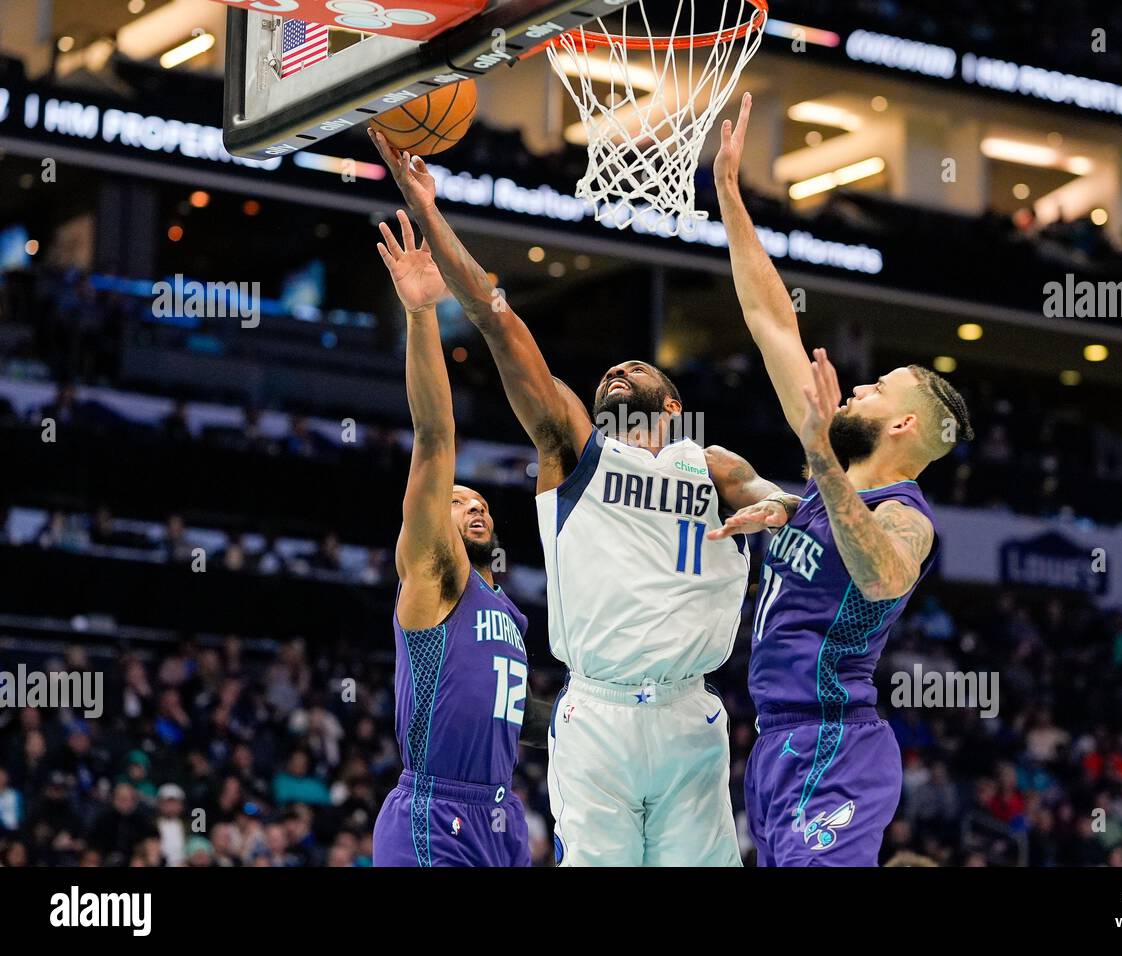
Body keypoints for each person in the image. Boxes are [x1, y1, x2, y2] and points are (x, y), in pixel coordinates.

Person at [370, 129, 796, 867]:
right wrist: (432, 218)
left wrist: (783, 509)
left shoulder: (714, 465)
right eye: (608, 376)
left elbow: (784, 498)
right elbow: (500, 322)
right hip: (597, 710)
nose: (619, 372)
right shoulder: (577, 454)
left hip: (691, 712)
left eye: (637, 369)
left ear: (671, 408)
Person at [711, 93, 974, 866]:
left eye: (877, 388)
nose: (855, 389)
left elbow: (884, 576)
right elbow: (769, 318)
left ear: (903, 427)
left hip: (838, 746)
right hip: (773, 744)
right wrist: (728, 198)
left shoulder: (906, 515)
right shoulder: (825, 477)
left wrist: (817, 468)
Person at [369, 210, 547, 867]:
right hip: (433, 810)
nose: (472, 503)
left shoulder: (507, 612)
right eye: (456, 499)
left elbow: (510, 715)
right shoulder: (434, 575)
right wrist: (421, 316)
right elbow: (435, 435)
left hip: (501, 815)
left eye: (479, 501)